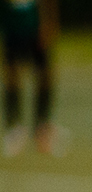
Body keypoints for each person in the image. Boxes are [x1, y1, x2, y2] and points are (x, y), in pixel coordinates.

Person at [2, 0, 58, 156]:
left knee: (44, 74)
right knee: (12, 74)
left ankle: (42, 126)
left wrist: (50, 21)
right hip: (12, 20)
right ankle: (14, 126)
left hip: (33, 19)